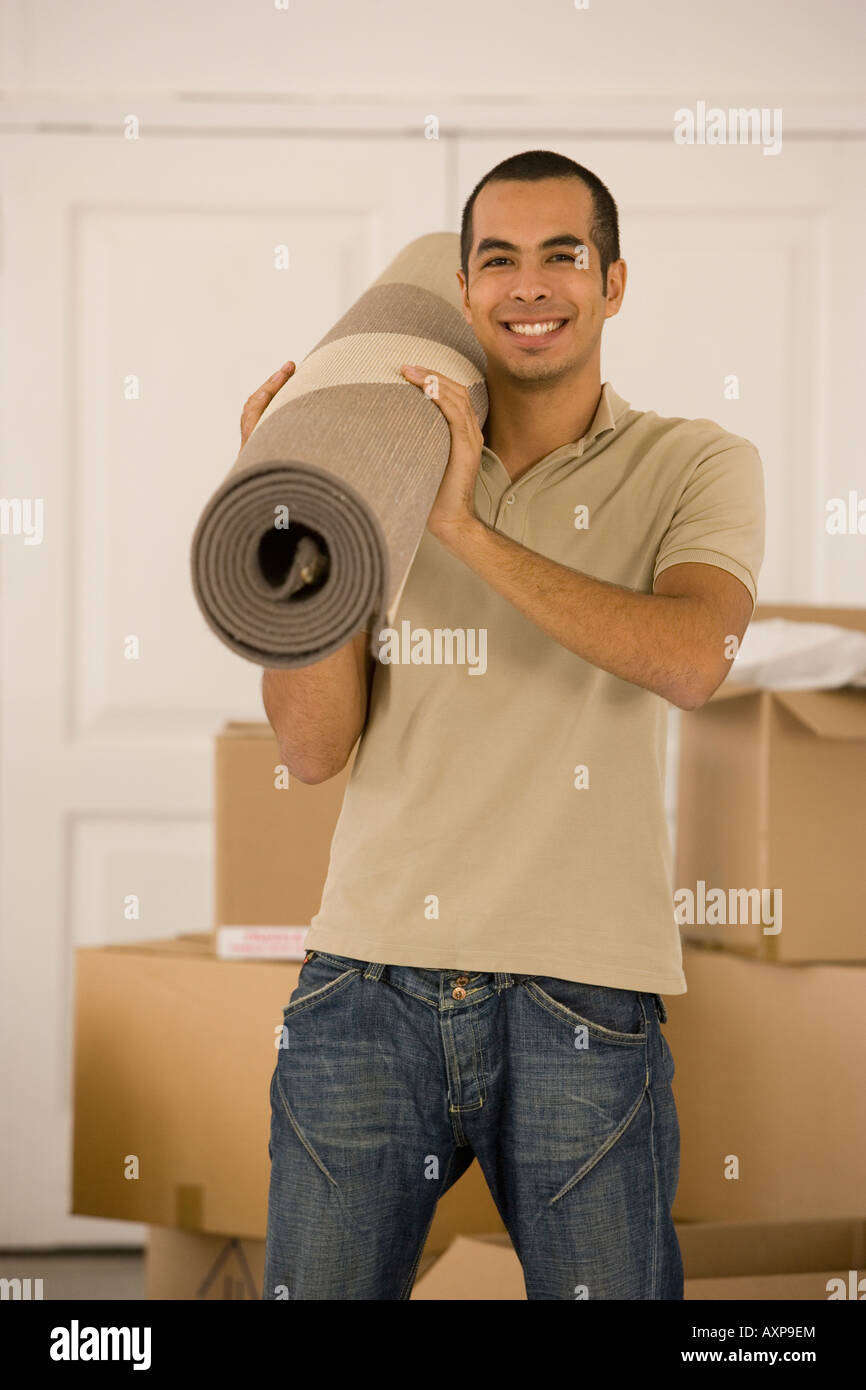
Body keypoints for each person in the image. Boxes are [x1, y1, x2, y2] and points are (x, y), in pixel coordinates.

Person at [253, 149, 765, 1300]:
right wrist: (294, 514)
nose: (528, 284)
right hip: (365, 983)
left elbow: (692, 658)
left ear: (613, 282)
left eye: (561, 256)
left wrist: (467, 530)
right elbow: (310, 748)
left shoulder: (692, 463)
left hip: (579, 992)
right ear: (466, 286)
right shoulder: (379, 462)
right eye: (497, 259)